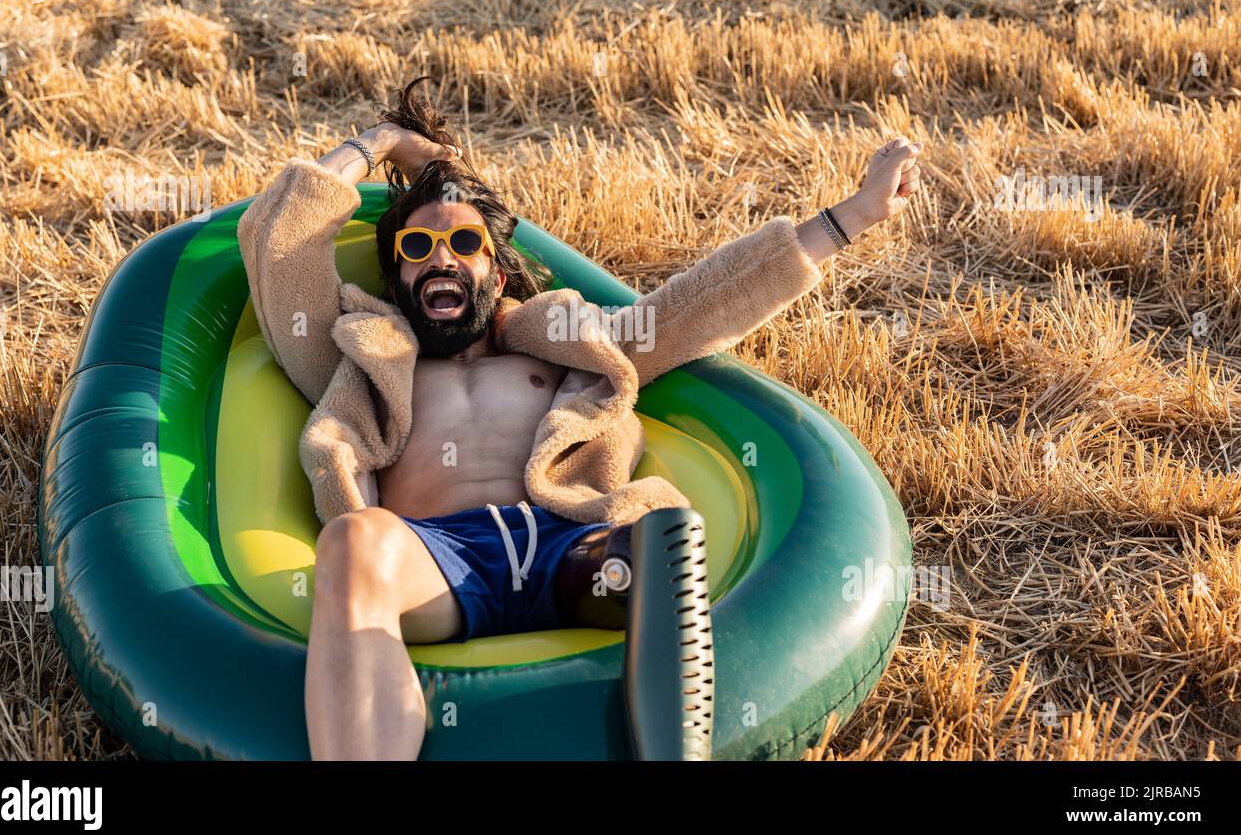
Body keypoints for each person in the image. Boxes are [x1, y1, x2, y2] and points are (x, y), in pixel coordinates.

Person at [236, 75, 924, 759]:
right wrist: (381, 141)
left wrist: (853, 216)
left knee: (659, 541)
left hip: (573, 543)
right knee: (355, 541)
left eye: (462, 246)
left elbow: (698, 305)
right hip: (436, 558)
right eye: (415, 250)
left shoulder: (567, 342)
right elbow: (277, 239)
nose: (439, 256)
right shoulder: (360, 355)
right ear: (396, 282)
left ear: (497, 276)